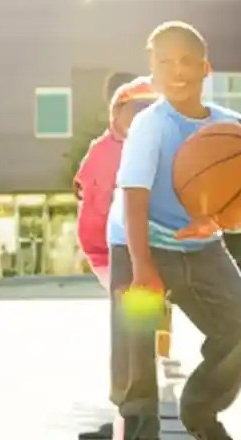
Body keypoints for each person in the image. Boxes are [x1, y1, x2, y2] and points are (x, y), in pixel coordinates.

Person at [108, 21, 241, 440]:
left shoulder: (234, 128)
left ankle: (200, 408)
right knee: (137, 342)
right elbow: (133, 198)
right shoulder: (151, 124)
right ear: (151, 71)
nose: (177, 71)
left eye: (187, 61)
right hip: (140, 244)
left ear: (206, 69)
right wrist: (142, 270)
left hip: (202, 247)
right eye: (165, 62)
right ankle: (138, 426)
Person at [73, 73, 164, 440]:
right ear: (116, 113)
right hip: (102, 251)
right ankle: (128, 413)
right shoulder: (102, 148)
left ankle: (132, 416)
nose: (140, 114)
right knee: (129, 327)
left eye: (147, 107)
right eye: (132, 108)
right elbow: (80, 183)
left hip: (137, 250)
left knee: (135, 326)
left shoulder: (156, 147)